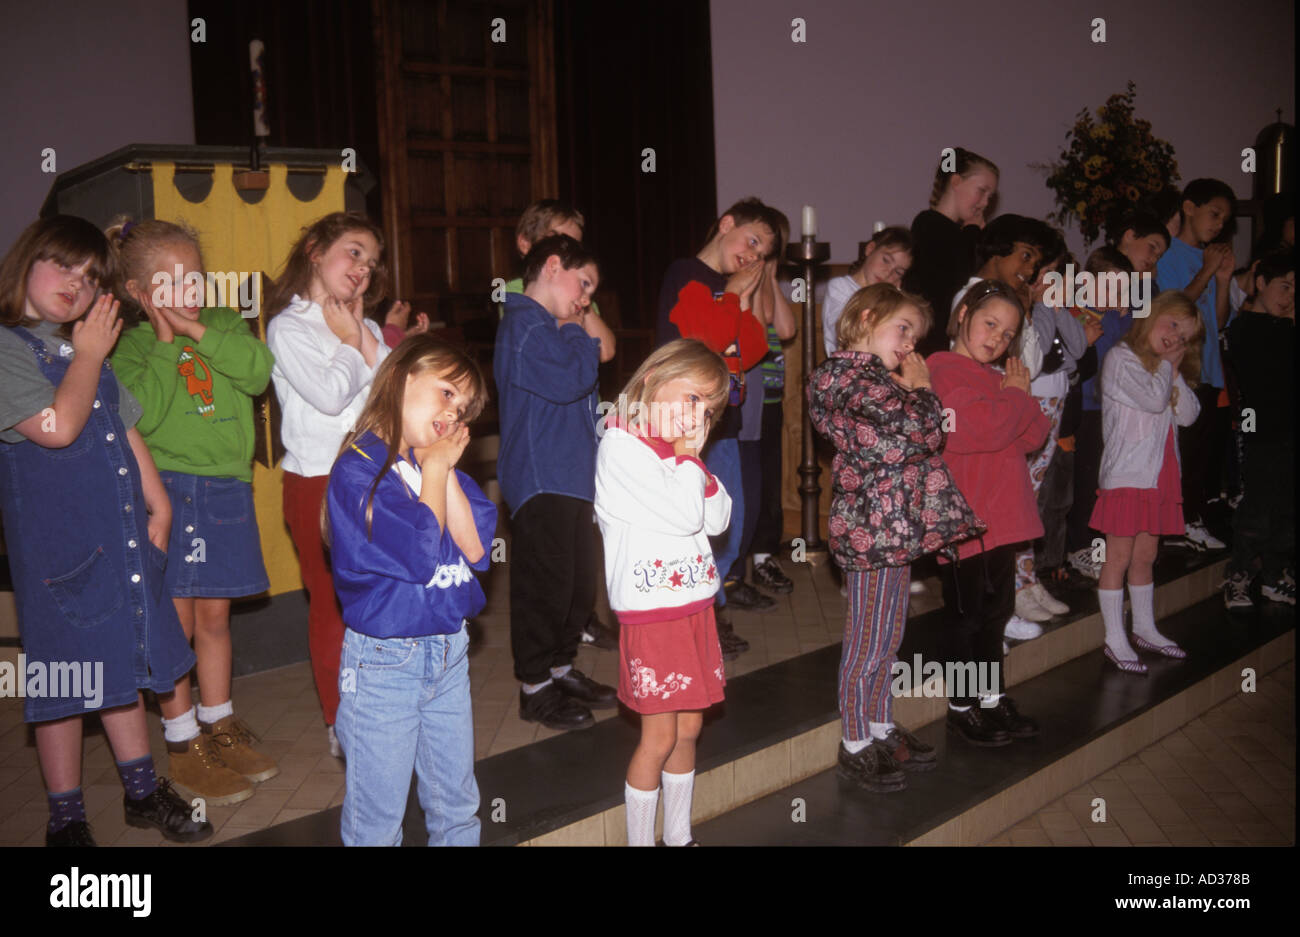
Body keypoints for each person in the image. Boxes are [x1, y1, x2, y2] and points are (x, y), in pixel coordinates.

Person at [0, 216, 211, 845]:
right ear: (25, 262)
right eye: (63, 265)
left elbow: (123, 427)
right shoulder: (9, 347)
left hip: (119, 536)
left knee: (123, 665)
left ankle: (143, 792)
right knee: (66, 681)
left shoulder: (81, 346)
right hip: (58, 552)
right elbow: (57, 426)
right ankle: (65, 816)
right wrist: (89, 354)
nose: (76, 283)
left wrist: (161, 506)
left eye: (91, 278)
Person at [108, 218, 278, 805]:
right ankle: (182, 743)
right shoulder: (129, 348)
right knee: (175, 622)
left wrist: (196, 329)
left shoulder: (225, 324)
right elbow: (145, 417)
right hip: (170, 492)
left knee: (214, 618)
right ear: (139, 293)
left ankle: (220, 721)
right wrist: (163, 340)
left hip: (226, 490)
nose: (191, 292)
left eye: (196, 279)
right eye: (173, 284)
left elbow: (257, 373)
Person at [808, 283, 982, 792]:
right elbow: (926, 431)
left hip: (896, 525)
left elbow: (919, 435)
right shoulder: (841, 376)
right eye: (902, 328)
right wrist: (923, 387)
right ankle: (855, 739)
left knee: (889, 632)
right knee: (867, 637)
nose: (909, 344)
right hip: (869, 528)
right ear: (865, 317)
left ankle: (880, 723)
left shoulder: (877, 380)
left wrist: (914, 397)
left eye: (915, 336)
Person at [327, 334, 496, 845]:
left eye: (462, 408)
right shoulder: (358, 469)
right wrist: (437, 466)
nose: (453, 413)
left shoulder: (433, 467)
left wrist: (438, 468)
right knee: (378, 820)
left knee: (456, 806)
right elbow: (422, 556)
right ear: (401, 377)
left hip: (448, 652)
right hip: (383, 665)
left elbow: (476, 551)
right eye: (446, 393)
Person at [594, 339, 732, 846]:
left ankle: (678, 837)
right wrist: (690, 460)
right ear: (653, 379)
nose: (698, 415)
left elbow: (716, 518)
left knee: (689, 730)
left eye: (708, 407)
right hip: (653, 616)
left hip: (693, 609)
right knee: (659, 736)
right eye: (691, 397)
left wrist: (692, 462)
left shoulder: (680, 456)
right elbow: (683, 514)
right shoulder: (620, 448)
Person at [265, 211, 392, 756]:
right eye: (355, 252)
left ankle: (384, 701)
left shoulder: (369, 327)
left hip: (378, 474)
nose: (364, 268)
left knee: (382, 595)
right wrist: (350, 342)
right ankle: (340, 720)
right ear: (316, 250)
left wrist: (363, 339)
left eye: (372, 261)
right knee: (332, 603)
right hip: (317, 479)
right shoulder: (287, 326)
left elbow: (401, 388)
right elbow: (329, 396)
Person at [495, 234, 616, 731]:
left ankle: (561, 668)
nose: (586, 296)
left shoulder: (550, 325)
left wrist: (574, 326)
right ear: (551, 265)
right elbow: (572, 379)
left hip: (571, 475)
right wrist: (576, 329)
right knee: (543, 585)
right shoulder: (524, 324)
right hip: (541, 476)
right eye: (582, 282)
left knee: (575, 584)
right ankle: (535, 686)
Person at [656, 196, 786, 645]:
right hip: (684, 425)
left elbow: (751, 349)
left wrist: (744, 299)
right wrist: (731, 294)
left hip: (721, 424)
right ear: (726, 223)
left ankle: (713, 608)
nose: (753, 256)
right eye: (751, 240)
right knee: (692, 526)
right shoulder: (686, 273)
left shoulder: (732, 288)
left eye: (762, 254)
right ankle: (701, 618)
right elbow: (705, 339)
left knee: (731, 522)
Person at [928, 279, 1048, 746]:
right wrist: (1015, 397)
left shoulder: (998, 378)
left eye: (1006, 334)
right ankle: (961, 707)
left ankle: (990, 697)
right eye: (989, 324)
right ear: (962, 317)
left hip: (999, 519)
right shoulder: (944, 372)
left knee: (996, 614)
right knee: (966, 616)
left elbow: (1033, 434)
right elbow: (981, 429)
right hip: (963, 520)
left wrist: (1012, 398)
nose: (997, 339)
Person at [1091, 292, 1204, 673]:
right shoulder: (1122, 359)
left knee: (1146, 557)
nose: (1176, 339)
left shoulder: (1163, 369)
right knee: (1118, 558)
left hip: (1159, 476)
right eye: (1172, 325)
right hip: (1127, 474)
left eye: (1185, 337)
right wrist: (1166, 369)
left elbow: (1188, 415)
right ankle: (1114, 636)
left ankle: (1143, 627)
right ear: (1153, 316)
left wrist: (1174, 372)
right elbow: (1155, 403)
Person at [1155, 179, 1238, 551]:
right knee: (1182, 451)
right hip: (1181, 368)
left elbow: (1217, 321)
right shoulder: (1169, 253)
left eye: (1225, 219)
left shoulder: (1209, 260)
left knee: (1203, 453)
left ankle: (1192, 517)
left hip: (1207, 368)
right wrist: (1206, 270)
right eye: (1214, 213)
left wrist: (1222, 281)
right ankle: (1180, 522)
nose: (1219, 224)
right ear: (1189, 207)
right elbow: (1173, 306)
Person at [1222, 250, 1295, 609]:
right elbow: (1263, 374)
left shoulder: (1284, 327)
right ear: (1261, 283)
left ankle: (1275, 575)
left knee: (1285, 505)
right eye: (1284, 287)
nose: (1289, 298)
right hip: (1259, 426)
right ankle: (1238, 575)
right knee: (1258, 503)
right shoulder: (1246, 327)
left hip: (1287, 427)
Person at [1066, 247, 1136, 580]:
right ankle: (1079, 547)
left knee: (1102, 484)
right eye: (1110, 287)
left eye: (1122, 289)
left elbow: (1130, 350)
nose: (1116, 295)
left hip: (1111, 410)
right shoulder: (1077, 313)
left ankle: (1097, 547)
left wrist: (1123, 316)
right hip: (1086, 410)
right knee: (1085, 482)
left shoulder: (1115, 316)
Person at [904, 147, 999, 353]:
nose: (984, 203)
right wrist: (973, 233)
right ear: (956, 181)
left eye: (990, 197)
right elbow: (959, 277)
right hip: (928, 341)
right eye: (981, 191)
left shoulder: (958, 232)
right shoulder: (928, 224)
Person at [821, 226, 913, 357]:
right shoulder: (840, 287)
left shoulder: (889, 299)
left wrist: (897, 296)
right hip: (844, 367)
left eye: (898, 272)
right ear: (870, 249)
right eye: (886, 260)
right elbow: (845, 331)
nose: (888, 272)